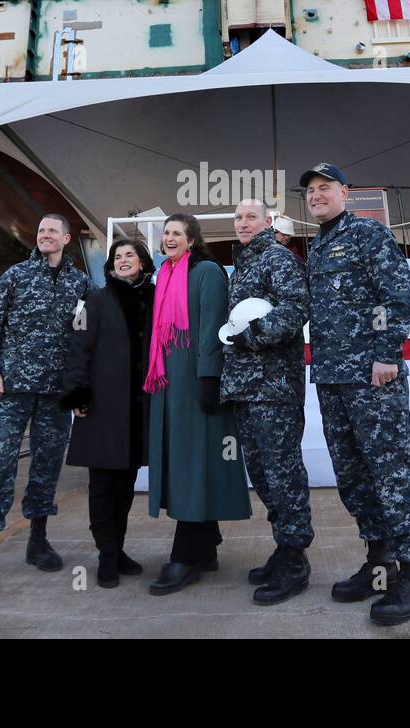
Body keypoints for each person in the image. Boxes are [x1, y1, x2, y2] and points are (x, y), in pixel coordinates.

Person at [301, 162, 410, 625]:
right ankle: (381, 564)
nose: (316, 196)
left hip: (373, 379)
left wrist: (386, 355)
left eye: (324, 188)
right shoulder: (317, 246)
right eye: (310, 191)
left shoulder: (367, 234)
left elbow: (399, 297)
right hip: (333, 380)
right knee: (353, 476)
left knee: (390, 473)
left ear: (344, 192)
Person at [0, 214, 90, 597]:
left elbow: (85, 338)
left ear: (66, 238)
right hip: (10, 390)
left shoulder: (79, 282)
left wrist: (80, 388)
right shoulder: (16, 276)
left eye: (53, 230)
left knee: (47, 466)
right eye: (41, 230)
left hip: (55, 393)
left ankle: (38, 540)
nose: (45, 235)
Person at [146, 212, 251, 594]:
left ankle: (185, 554)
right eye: (167, 233)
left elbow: (211, 326)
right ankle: (205, 548)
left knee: (194, 462)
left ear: (192, 240)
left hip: (195, 382)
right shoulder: (164, 276)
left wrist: (209, 377)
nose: (171, 238)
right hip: (169, 383)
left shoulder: (206, 272)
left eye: (178, 233)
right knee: (187, 460)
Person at [221, 199, 314, 604]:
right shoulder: (242, 265)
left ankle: (295, 560)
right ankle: (283, 546)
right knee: (261, 472)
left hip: (275, 388)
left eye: (250, 217)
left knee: (283, 473)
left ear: (267, 222)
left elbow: (298, 308)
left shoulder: (278, 258)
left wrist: (255, 334)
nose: (243, 223)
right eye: (238, 218)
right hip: (246, 388)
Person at [59, 238, 155, 588]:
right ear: (110, 265)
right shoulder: (94, 300)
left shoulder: (154, 299)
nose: (124, 260)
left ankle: (118, 547)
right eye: (118, 256)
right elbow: (77, 348)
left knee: (126, 484)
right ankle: (106, 555)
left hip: (138, 409)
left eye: (131, 255)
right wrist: (77, 393)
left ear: (143, 262)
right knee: (102, 485)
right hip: (102, 407)